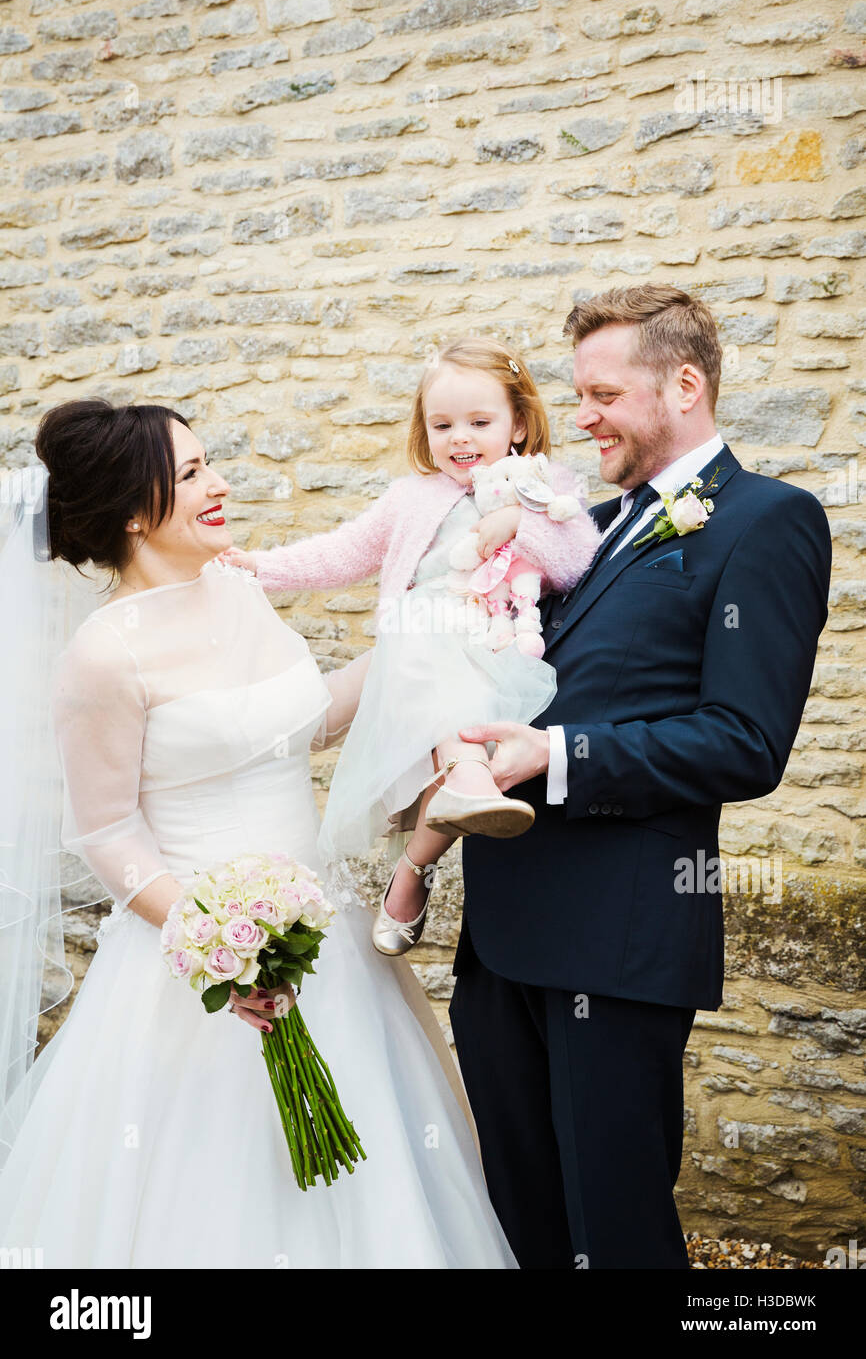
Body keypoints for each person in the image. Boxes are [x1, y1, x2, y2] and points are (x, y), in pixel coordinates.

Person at [0, 398, 518, 1269]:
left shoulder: (237, 590)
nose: (221, 483)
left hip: (331, 944)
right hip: (198, 966)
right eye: (193, 472)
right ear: (134, 510)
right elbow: (105, 831)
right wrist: (216, 946)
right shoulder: (102, 655)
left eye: (212, 464)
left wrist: (416, 638)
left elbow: (303, 723)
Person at [447, 283, 833, 1269]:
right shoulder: (593, 523)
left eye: (602, 394)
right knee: (522, 1221)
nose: (579, 417)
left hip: (614, 942)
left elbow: (743, 739)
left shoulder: (766, 520)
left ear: (685, 385)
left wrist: (560, 754)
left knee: (613, 1234)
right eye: (577, 393)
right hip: (500, 940)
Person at [222, 337, 600, 957]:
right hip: (421, 644)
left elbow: (578, 560)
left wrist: (519, 524)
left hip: (500, 645)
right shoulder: (412, 497)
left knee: (453, 750)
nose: (460, 438)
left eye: (480, 422)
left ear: (520, 424)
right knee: (435, 665)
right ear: (424, 430)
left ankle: (414, 870)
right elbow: (343, 552)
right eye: (442, 424)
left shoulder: (544, 485)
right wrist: (260, 566)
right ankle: (468, 780)